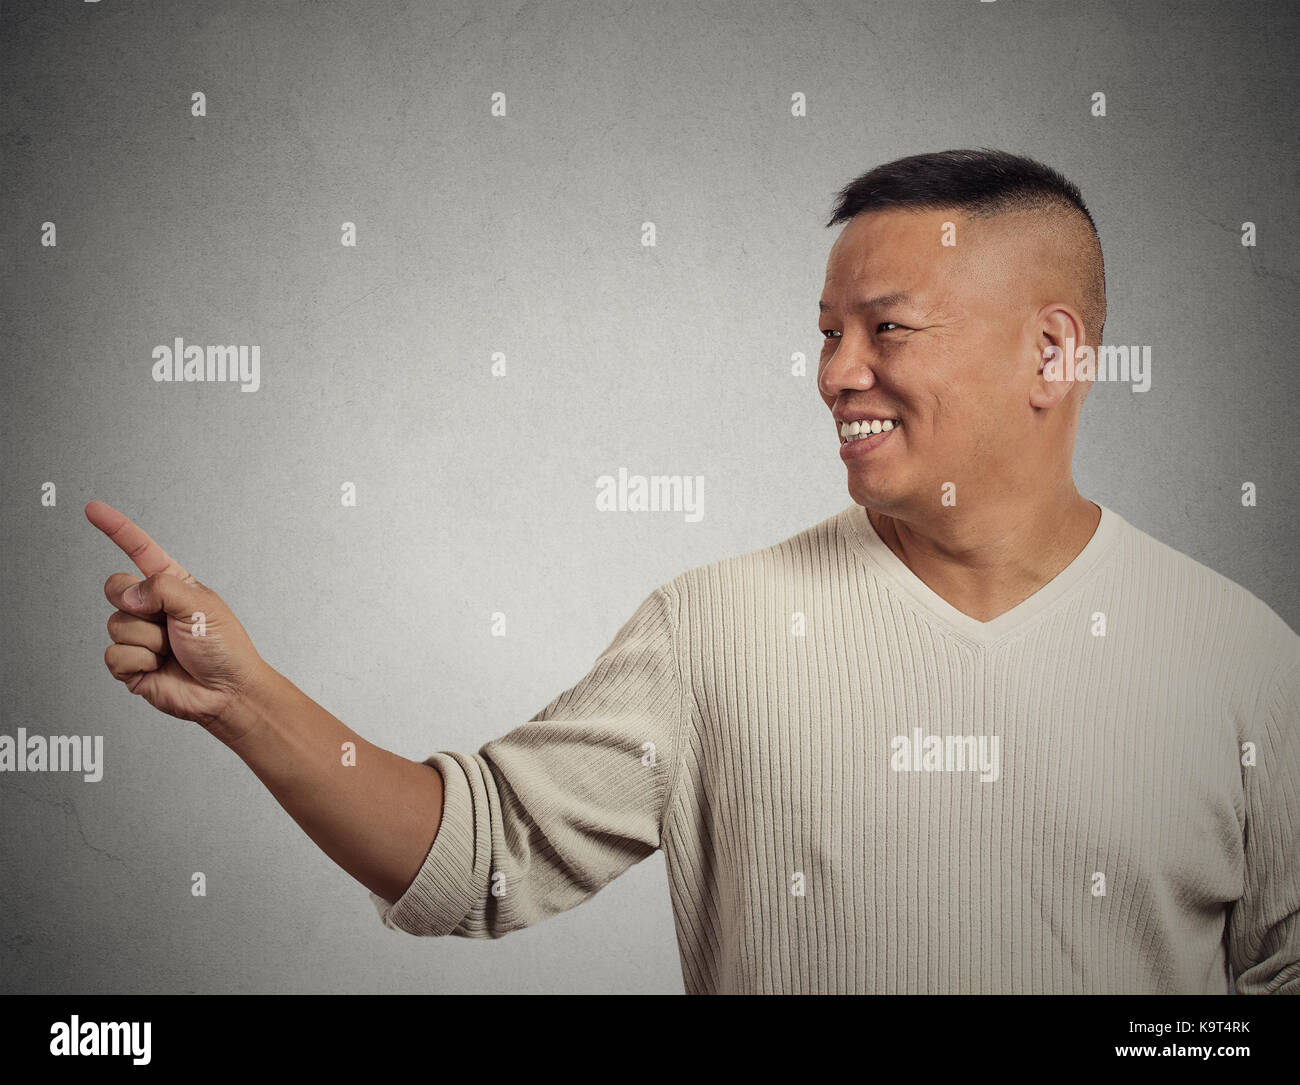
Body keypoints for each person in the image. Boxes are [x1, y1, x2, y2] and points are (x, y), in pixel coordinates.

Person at [87, 149, 1298, 994]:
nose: (834, 375)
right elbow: (478, 854)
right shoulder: (714, 629)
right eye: (826, 333)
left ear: (1053, 348)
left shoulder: (1245, 665)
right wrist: (245, 700)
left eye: (886, 327)